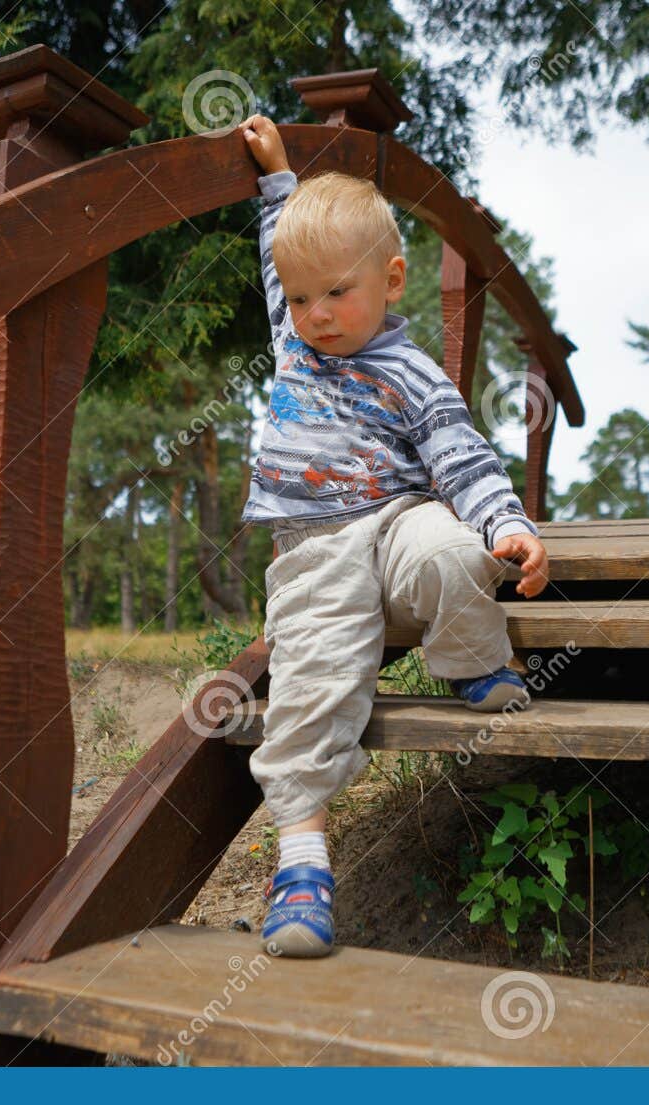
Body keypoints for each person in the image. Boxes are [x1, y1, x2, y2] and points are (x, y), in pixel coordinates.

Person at [238, 114, 550, 957]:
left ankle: (475, 661)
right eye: (300, 298)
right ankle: (302, 868)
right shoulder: (295, 349)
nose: (315, 314)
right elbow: (282, 252)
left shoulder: (413, 374)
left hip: (402, 516)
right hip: (316, 544)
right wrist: (278, 175)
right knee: (306, 679)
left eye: (337, 292)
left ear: (393, 278)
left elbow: (462, 458)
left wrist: (507, 521)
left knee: (455, 551)